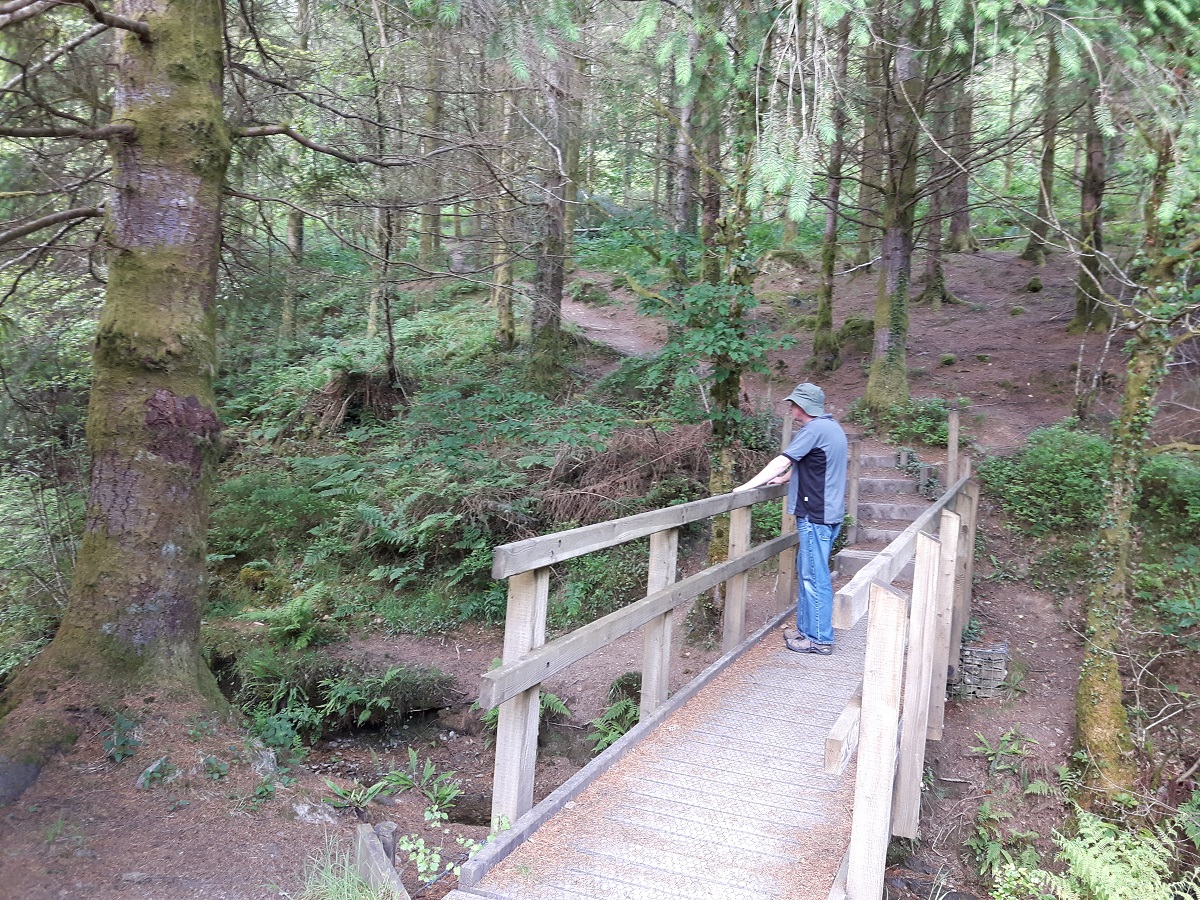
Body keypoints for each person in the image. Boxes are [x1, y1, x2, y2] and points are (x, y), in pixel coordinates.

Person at [735, 382, 847, 655]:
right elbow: (814, 464)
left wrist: (745, 487)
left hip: (815, 514)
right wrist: (784, 479)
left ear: (804, 406)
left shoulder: (813, 429)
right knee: (809, 572)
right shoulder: (832, 428)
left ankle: (820, 639)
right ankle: (807, 631)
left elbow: (783, 460)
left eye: (794, 403)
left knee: (814, 577)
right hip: (828, 513)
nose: (791, 408)